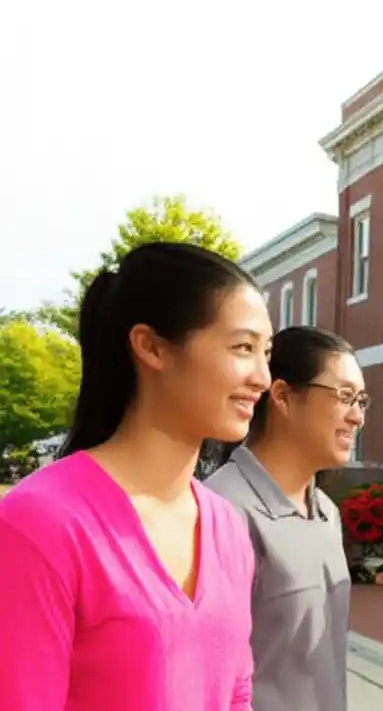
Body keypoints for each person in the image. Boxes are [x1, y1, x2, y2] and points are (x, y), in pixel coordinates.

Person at [0, 242, 270, 710]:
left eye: (266, 352)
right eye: (243, 348)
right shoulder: (40, 524)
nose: (262, 377)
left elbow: (235, 694)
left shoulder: (228, 528)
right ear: (151, 347)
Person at [205, 326, 366, 711]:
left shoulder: (326, 512)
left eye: (361, 400)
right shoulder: (221, 510)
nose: (357, 416)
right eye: (344, 396)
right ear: (282, 396)